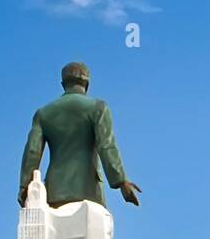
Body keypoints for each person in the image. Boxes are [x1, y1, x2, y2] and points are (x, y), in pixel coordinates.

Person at [17, 61, 141, 209]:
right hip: (89, 191)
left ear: (63, 84)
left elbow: (32, 152)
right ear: (86, 83)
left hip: (55, 192)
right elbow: (106, 146)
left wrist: (25, 186)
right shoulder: (98, 108)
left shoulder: (43, 114)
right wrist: (121, 181)